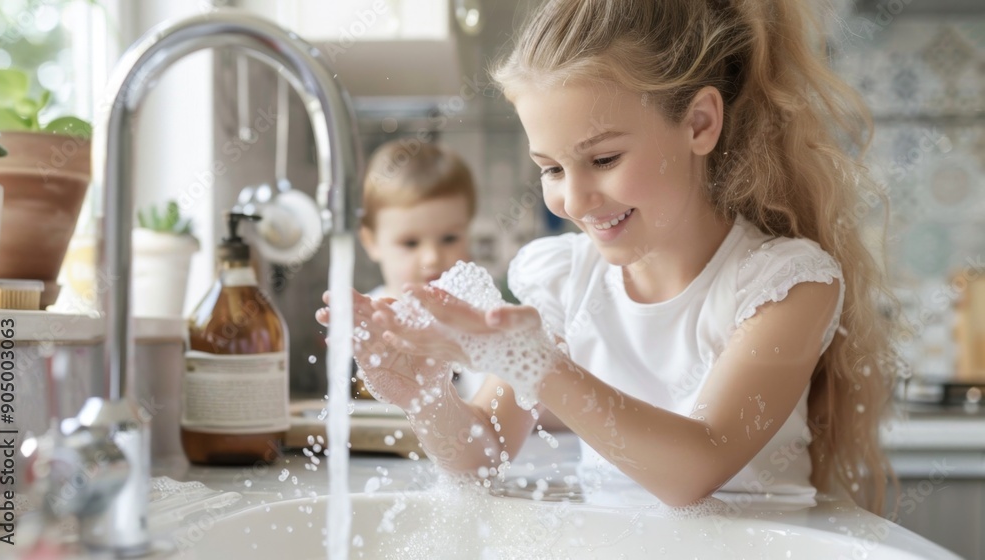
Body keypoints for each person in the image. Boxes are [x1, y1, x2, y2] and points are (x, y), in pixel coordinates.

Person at [319, 0, 896, 513]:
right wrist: (423, 397)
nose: (574, 200)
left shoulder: (786, 284)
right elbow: (484, 455)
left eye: (603, 160)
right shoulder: (566, 281)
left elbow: (694, 469)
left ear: (699, 123)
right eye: (550, 168)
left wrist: (536, 365)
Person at [353, 139, 485, 398]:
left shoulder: (478, 318)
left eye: (450, 238)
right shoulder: (367, 323)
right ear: (372, 242)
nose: (432, 258)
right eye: (410, 243)